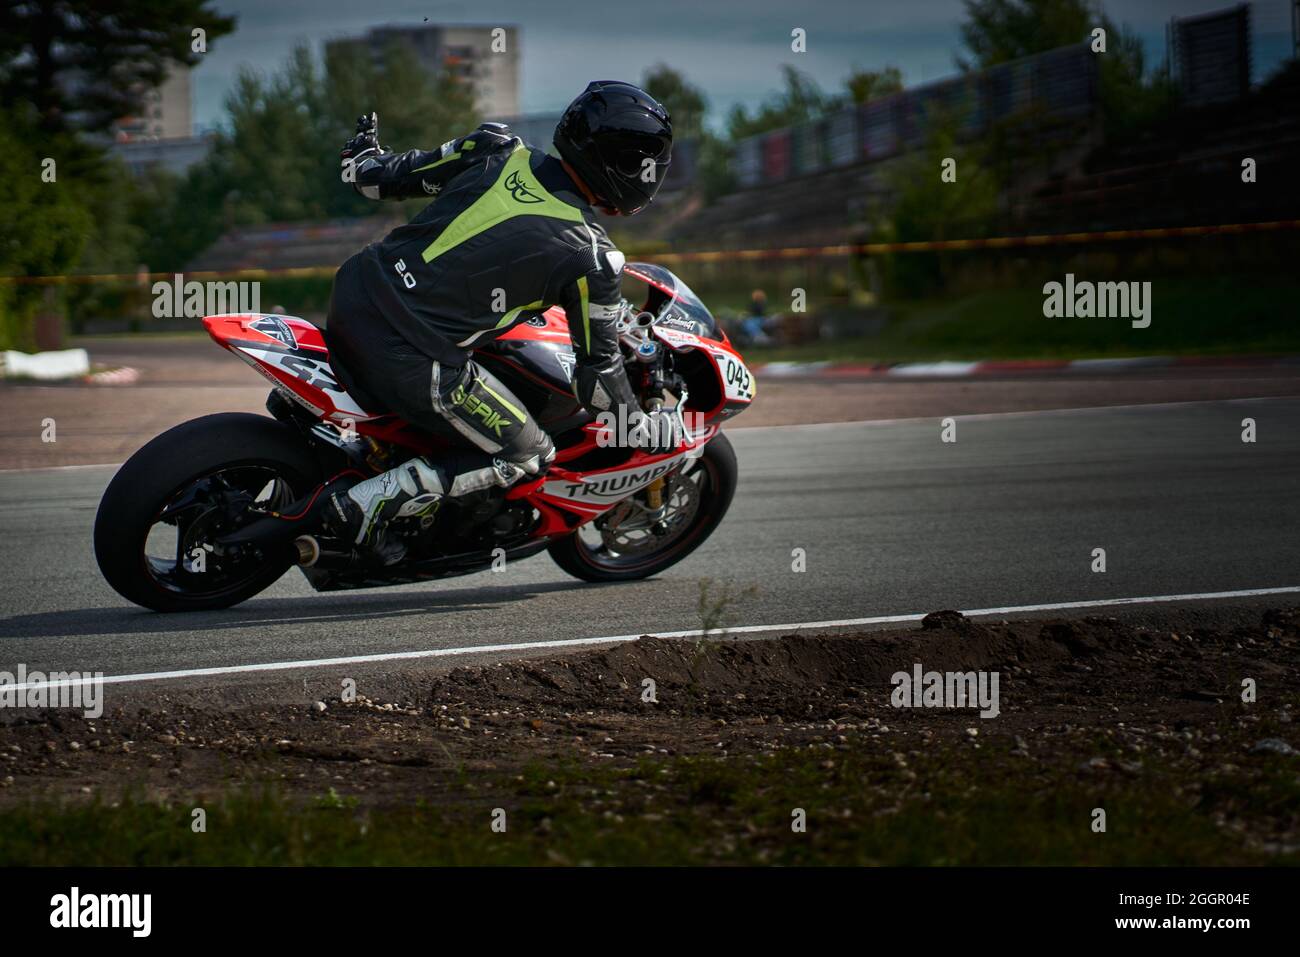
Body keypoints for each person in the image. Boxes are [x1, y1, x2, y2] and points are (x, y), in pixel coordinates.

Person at [322, 81, 674, 563]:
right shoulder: (593, 258)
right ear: (628, 167)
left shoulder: (494, 147)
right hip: (408, 357)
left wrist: (361, 151)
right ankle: (364, 506)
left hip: (352, 293)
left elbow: (370, 177)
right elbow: (598, 381)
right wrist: (639, 429)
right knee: (530, 454)